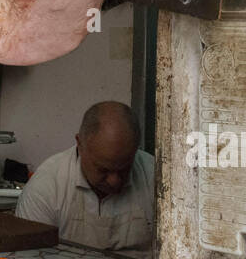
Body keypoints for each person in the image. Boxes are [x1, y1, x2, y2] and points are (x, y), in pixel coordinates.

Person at [15, 101, 156, 250]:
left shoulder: (156, 178)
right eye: (103, 170)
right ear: (80, 145)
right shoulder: (46, 187)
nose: (114, 181)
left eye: (124, 168)